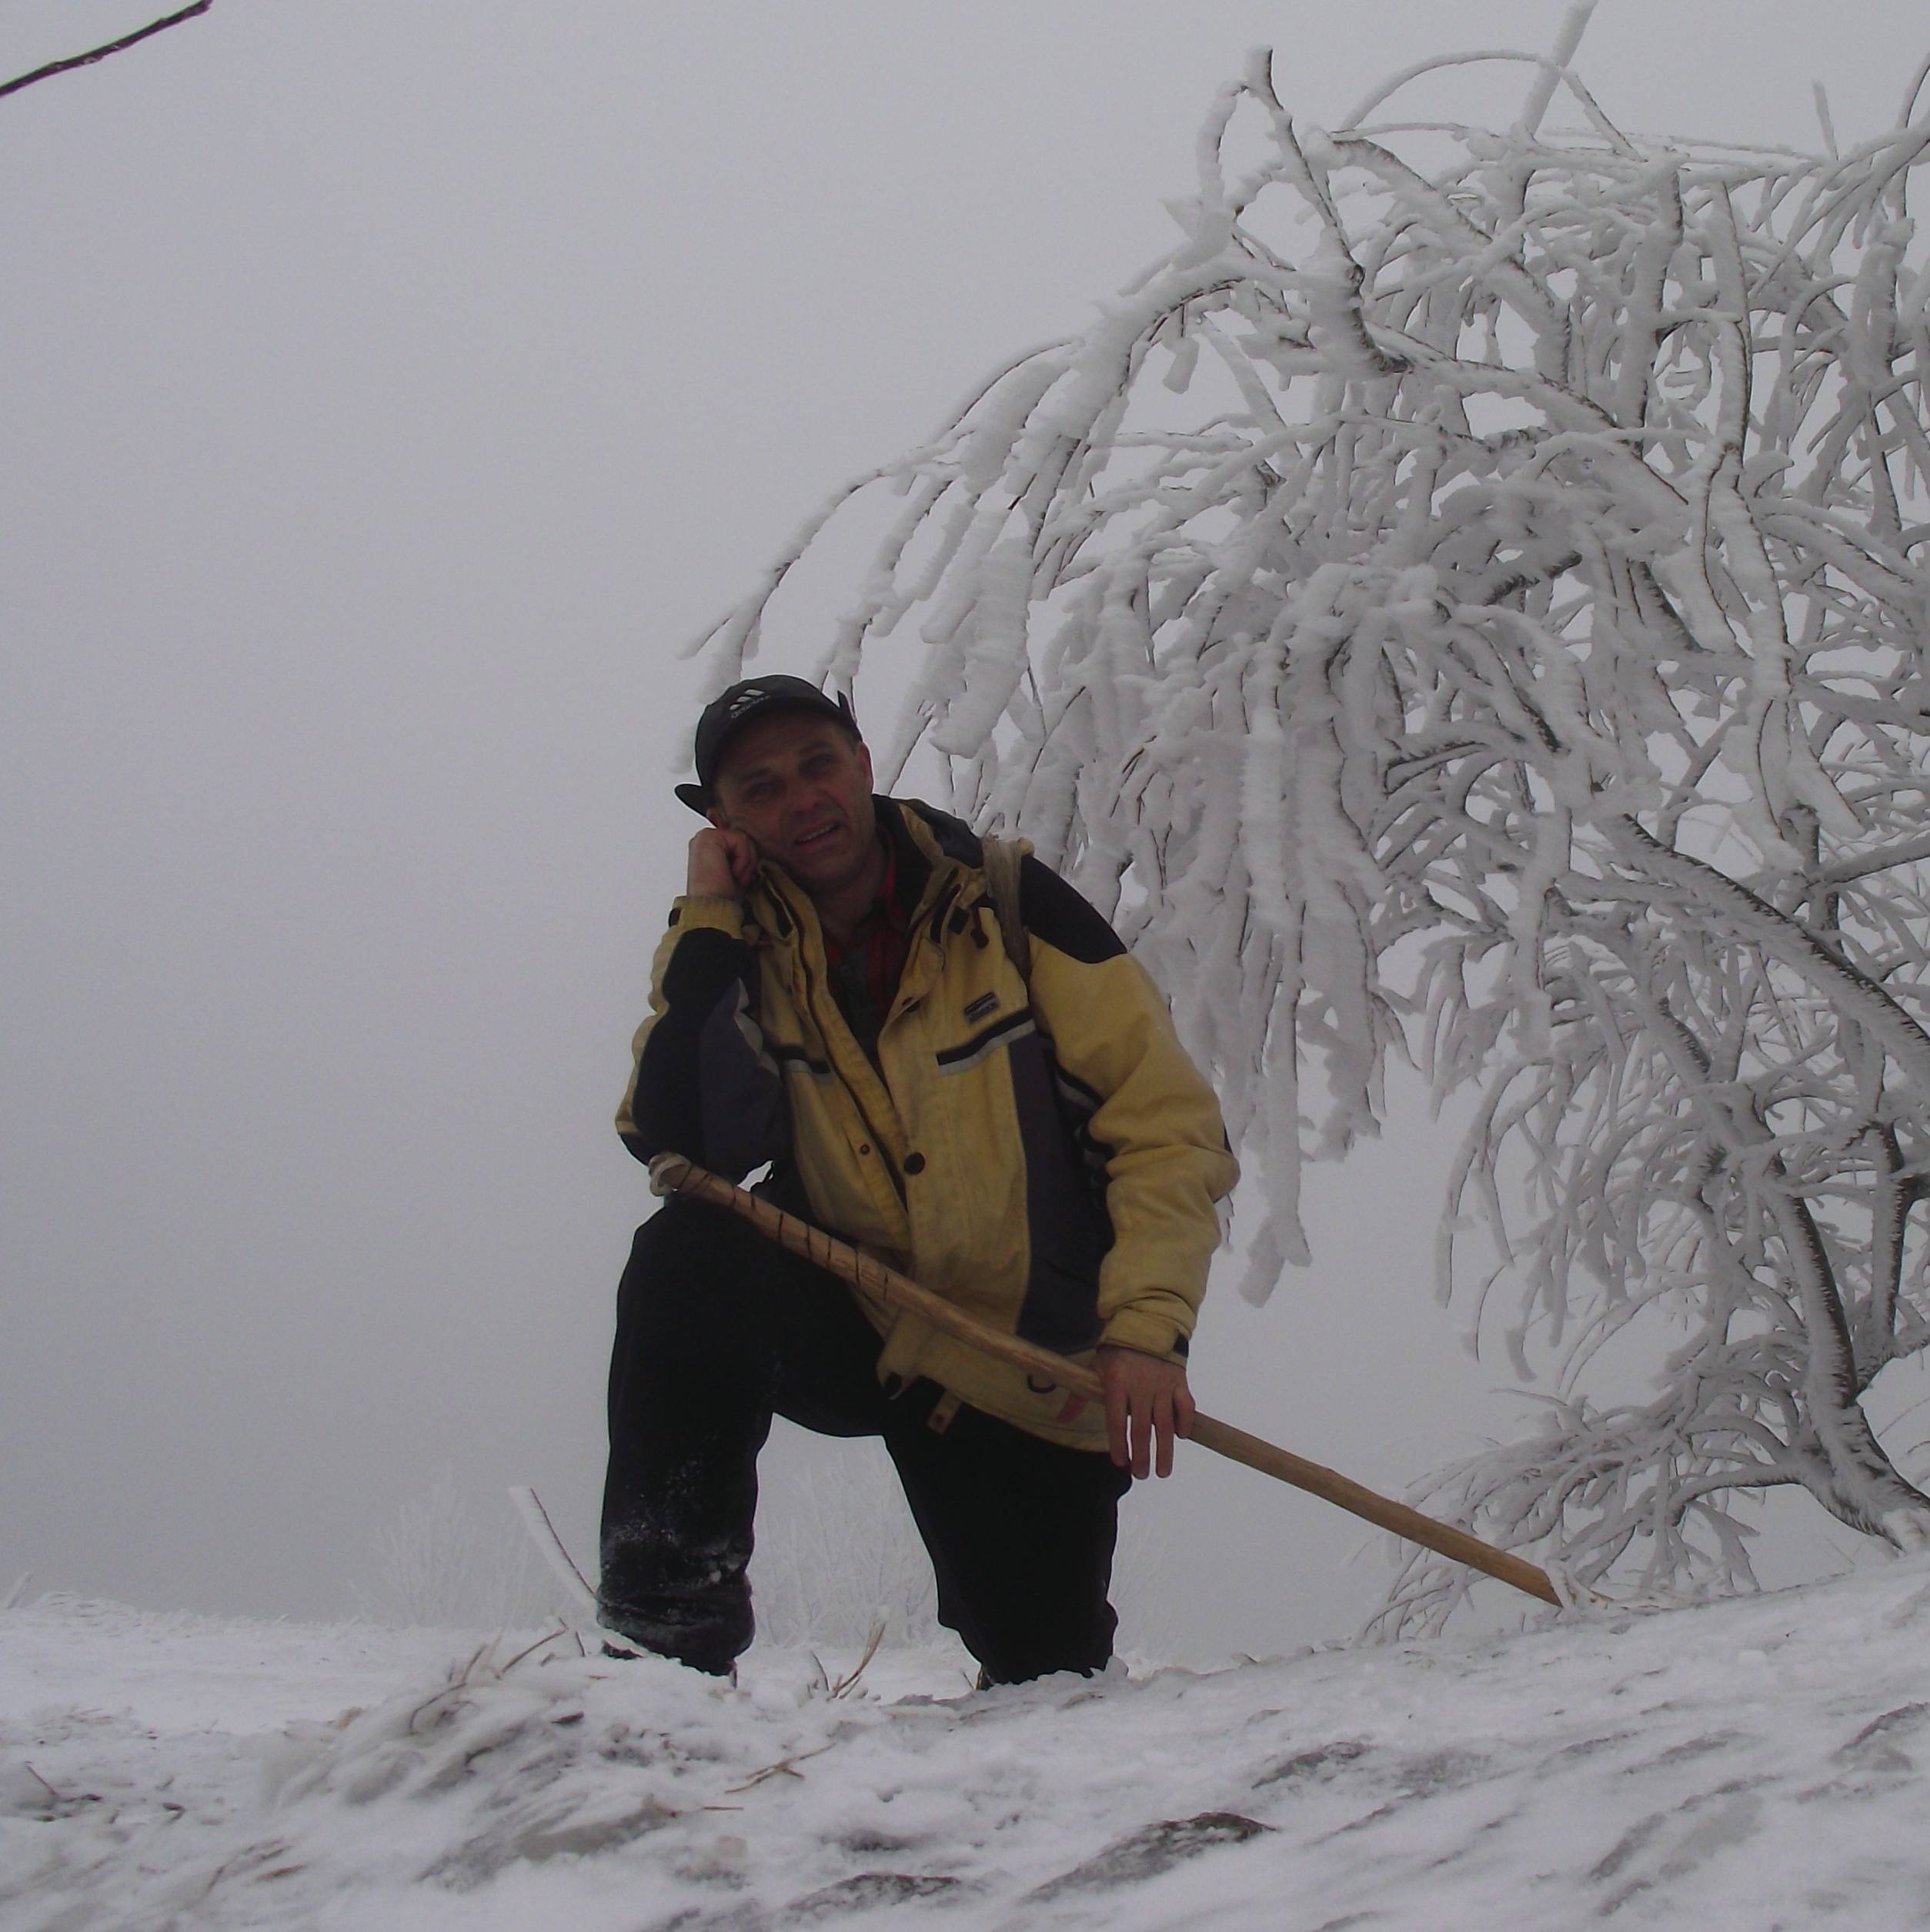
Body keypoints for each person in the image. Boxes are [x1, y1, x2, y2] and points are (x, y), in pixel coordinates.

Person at [600, 674, 1237, 1683]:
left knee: (1047, 1667)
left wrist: (1146, 1330)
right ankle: (661, 1653)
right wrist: (707, 916)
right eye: (762, 789)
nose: (802, 798)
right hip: (859, 1321)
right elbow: (675, 1141)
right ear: (726, 823)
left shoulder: (1011, 904)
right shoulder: (737, 945)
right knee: (689, 1251)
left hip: (1023, 1368)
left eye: (818, 764)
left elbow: (1163, 1125)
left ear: (862, 764)